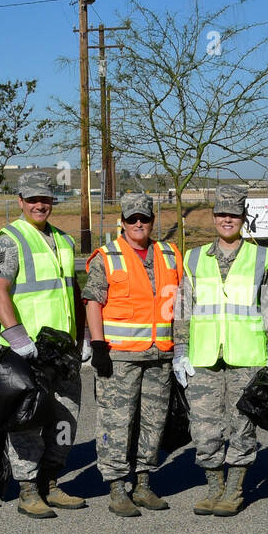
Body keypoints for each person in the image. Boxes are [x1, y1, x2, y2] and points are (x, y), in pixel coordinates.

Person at [173, 185, 268, 517]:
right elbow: (182, 307)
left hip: (247, 356)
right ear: (214, 217)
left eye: (233, 214)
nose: (227, 220)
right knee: (204, 427)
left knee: (242, 424)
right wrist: (180, 349)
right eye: (221, 214)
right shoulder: (194, 258)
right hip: (204, 357)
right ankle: (213, 487)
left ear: (243, 218)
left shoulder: (262, 257)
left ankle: (234, 489)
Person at [0, 171, 87, 519]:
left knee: (65, 418)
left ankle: (51, 481)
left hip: (62, 349)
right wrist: (17, 337)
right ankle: (28, 489)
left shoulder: (63, 239)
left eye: (44, 199)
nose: (39, 205)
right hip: (28, 349)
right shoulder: (8, 240)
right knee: (28, 420)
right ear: (21, 202)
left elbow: (71, 289)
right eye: (32, 200)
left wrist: (82, 336)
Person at [83, 192, 182, 517]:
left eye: (144, 218)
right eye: (132, 219)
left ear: (153, 220)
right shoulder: (107, 256)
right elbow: (93, 302)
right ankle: (116, 487)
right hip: (119, 357)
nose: (139, 224)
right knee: (117, 421)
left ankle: (143, 483)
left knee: (153, 423)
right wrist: (97, 346)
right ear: (122, 222)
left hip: (160, 355)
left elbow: (184, 302)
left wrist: (184, 345)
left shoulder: (169, 253)